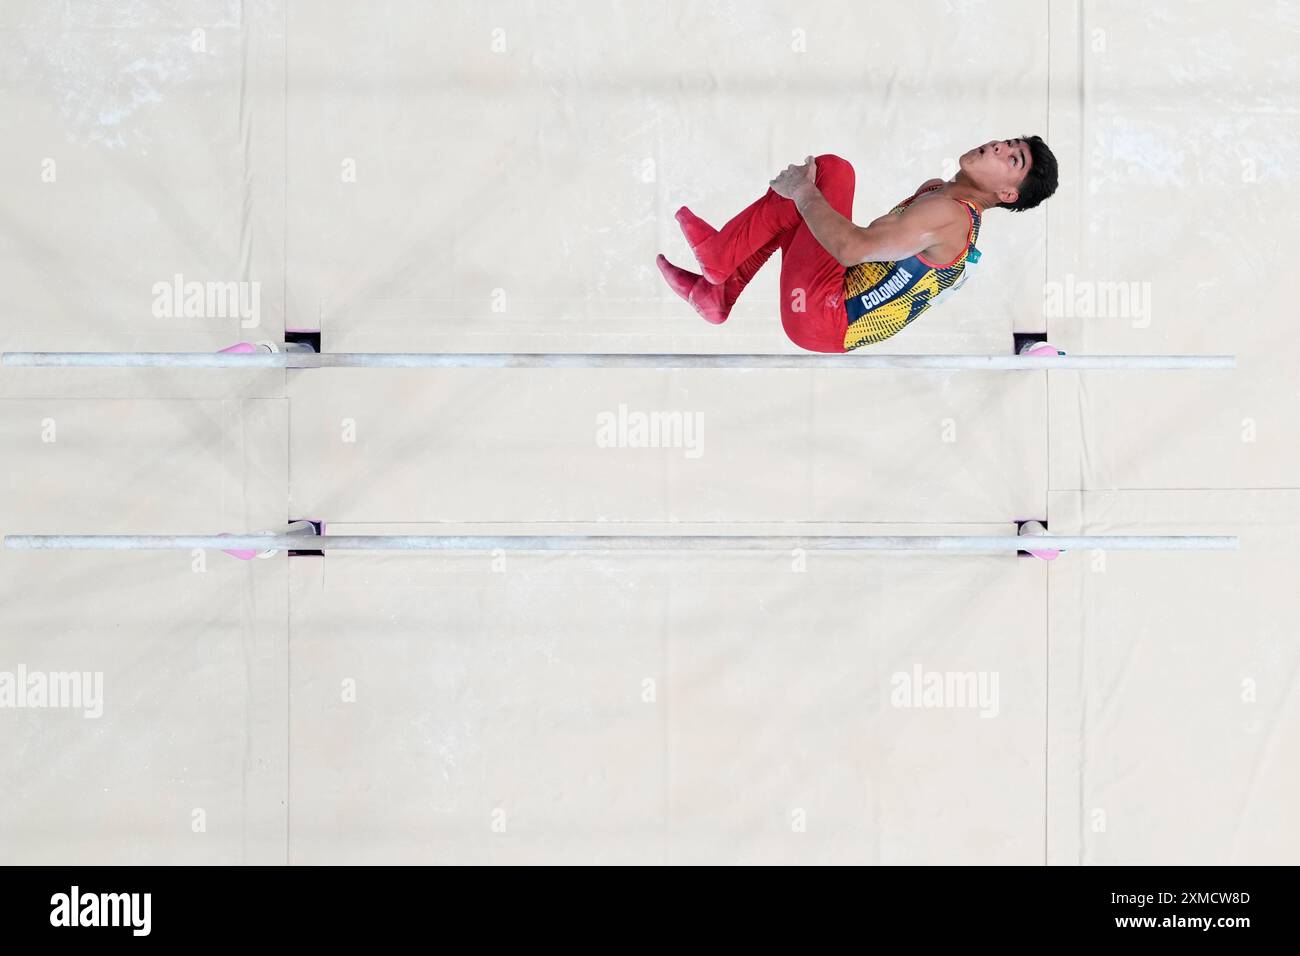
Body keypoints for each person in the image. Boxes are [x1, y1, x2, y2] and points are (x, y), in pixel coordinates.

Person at [657, 138, 1059, 353]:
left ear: (1007, 194)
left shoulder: (951, 216)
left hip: (826, 316)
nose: (998, 147)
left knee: (832, 173)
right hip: (829, 308)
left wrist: (802, 190)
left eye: (1013, 159)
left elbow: (849, 248)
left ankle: (718, 257)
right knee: (813, 203)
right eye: (1007, 143)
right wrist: (805, 198)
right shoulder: (938, 192)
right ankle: (718, 291)